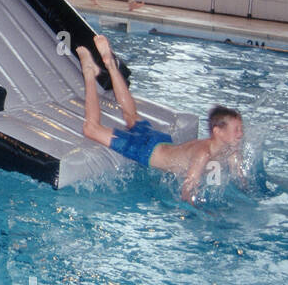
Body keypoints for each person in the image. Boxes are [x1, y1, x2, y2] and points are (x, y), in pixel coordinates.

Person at [76, 34, 243, 202]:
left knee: (131, 116)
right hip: (146, 150)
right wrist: (195, 212)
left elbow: (241, 182)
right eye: (236, 129)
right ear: (218, 132)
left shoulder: (229, 151)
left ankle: (111, 64)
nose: (240, 134)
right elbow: (188, 189)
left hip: (160, 142)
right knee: (91, 129)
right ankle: (89, 71)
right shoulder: (203, 154)